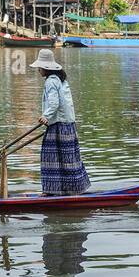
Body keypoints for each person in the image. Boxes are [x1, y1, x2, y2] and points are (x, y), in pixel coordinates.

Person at [30, 49, 91, 196]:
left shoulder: (51, 81)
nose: (38, 70)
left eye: (40, 67)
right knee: (68, 158)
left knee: (49, 157)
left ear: (45, 68)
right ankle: (71, 190)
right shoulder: (60, 79)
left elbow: (54, 103)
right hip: (67, 125)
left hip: (59, 126)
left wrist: (46, 116)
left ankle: (52, 192)